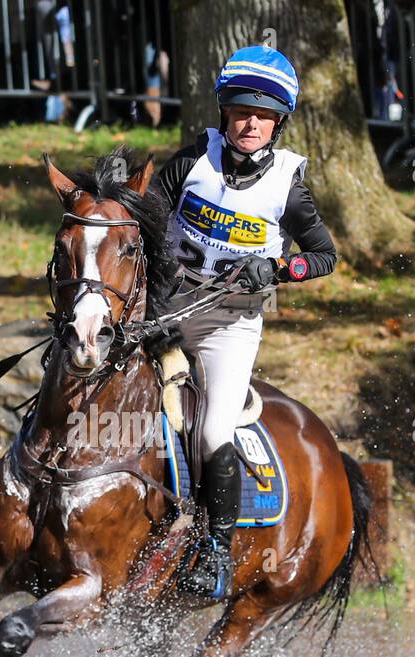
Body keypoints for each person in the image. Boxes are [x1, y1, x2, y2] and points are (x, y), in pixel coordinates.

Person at [155, 45, 338, 600]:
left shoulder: (289, 186)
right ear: (224, 114)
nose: (250, 123)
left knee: (213, 430)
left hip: (227, 327)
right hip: (163, 313)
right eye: (240, 111)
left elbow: (325, 255)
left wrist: (280, 267)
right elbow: (144, 233)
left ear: (278, 122)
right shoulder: (188, 165)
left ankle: (212, 549)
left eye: (262, 115)